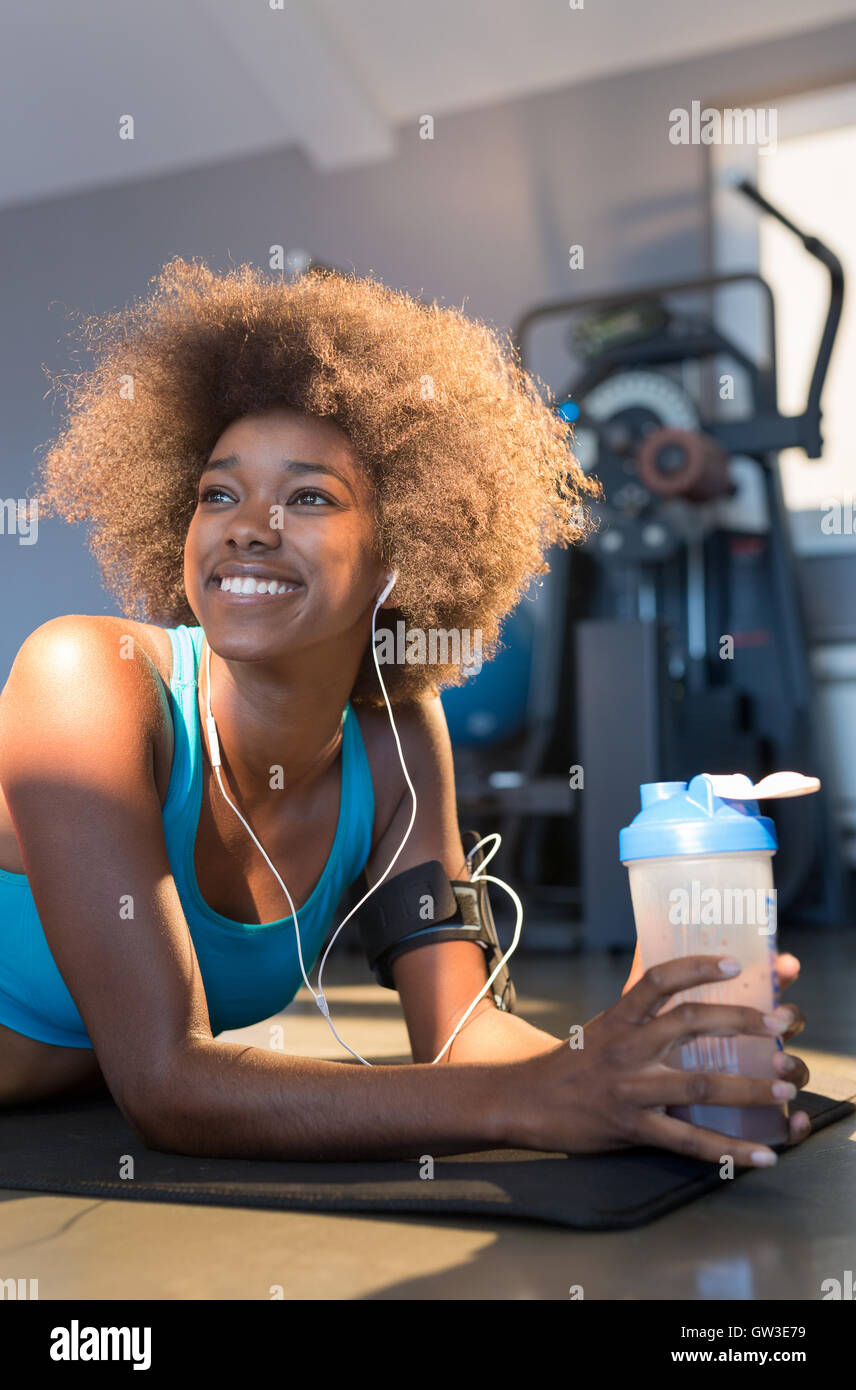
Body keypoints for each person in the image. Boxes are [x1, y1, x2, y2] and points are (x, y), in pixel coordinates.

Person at [0, 259, 809, 1166]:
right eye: (217, 493)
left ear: (399, 558)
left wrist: (631, 1056)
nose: (247, 526)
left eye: (308, 497)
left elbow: (463, 1040)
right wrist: (534, 1099)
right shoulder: (85, 679)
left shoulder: (395, 737)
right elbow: (166, 1084)